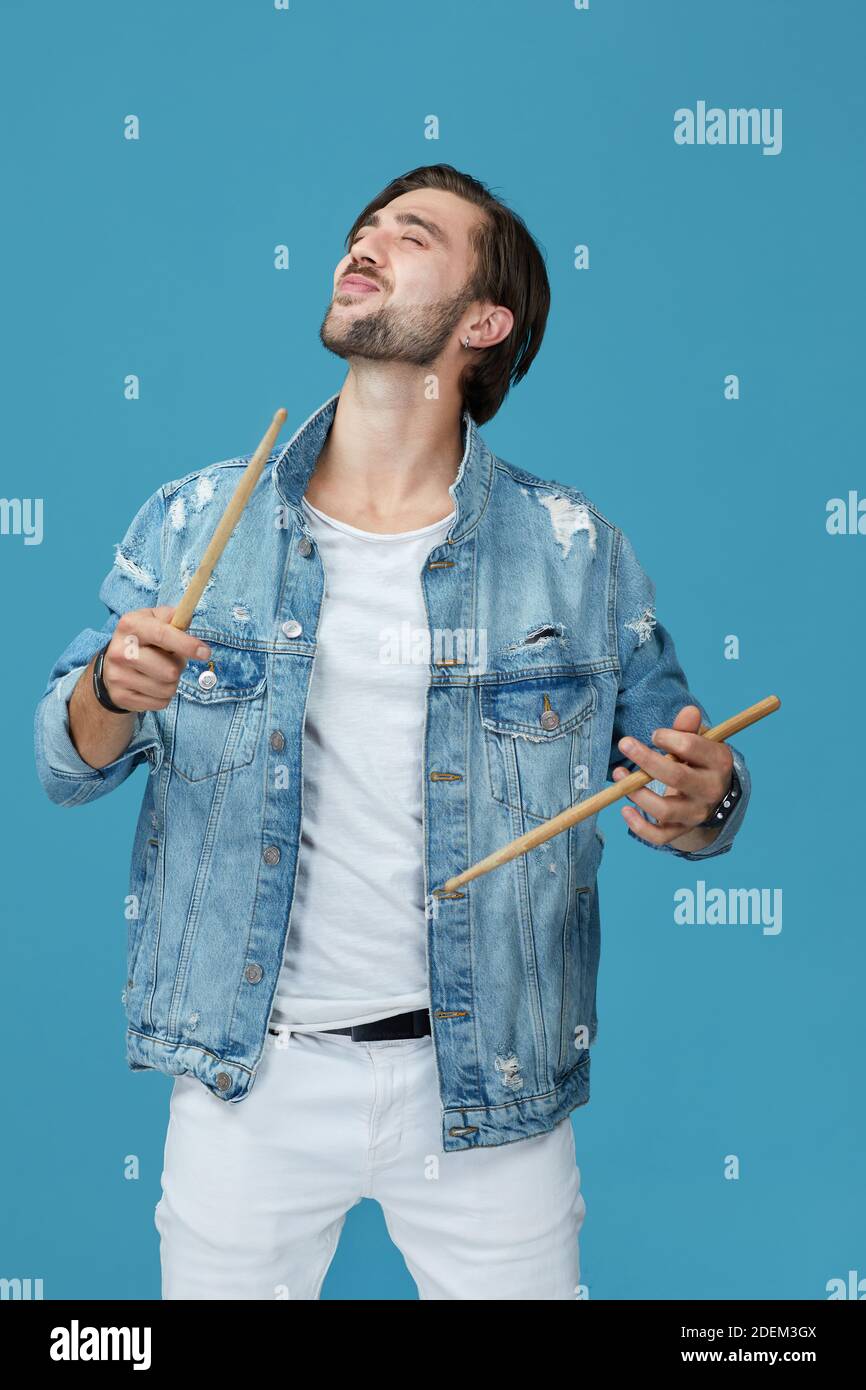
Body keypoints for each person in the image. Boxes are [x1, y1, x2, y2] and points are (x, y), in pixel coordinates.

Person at [33, 163, 750, 1300]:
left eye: (409, 236)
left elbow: (691, 776)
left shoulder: (575, 551)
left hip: (485, 1085)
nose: (362, 245)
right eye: (360, 229)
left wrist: (702, 795)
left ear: (483, 320)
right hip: (248, 1078)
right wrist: (112, 692)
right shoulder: (191, 521)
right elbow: (61, 760)